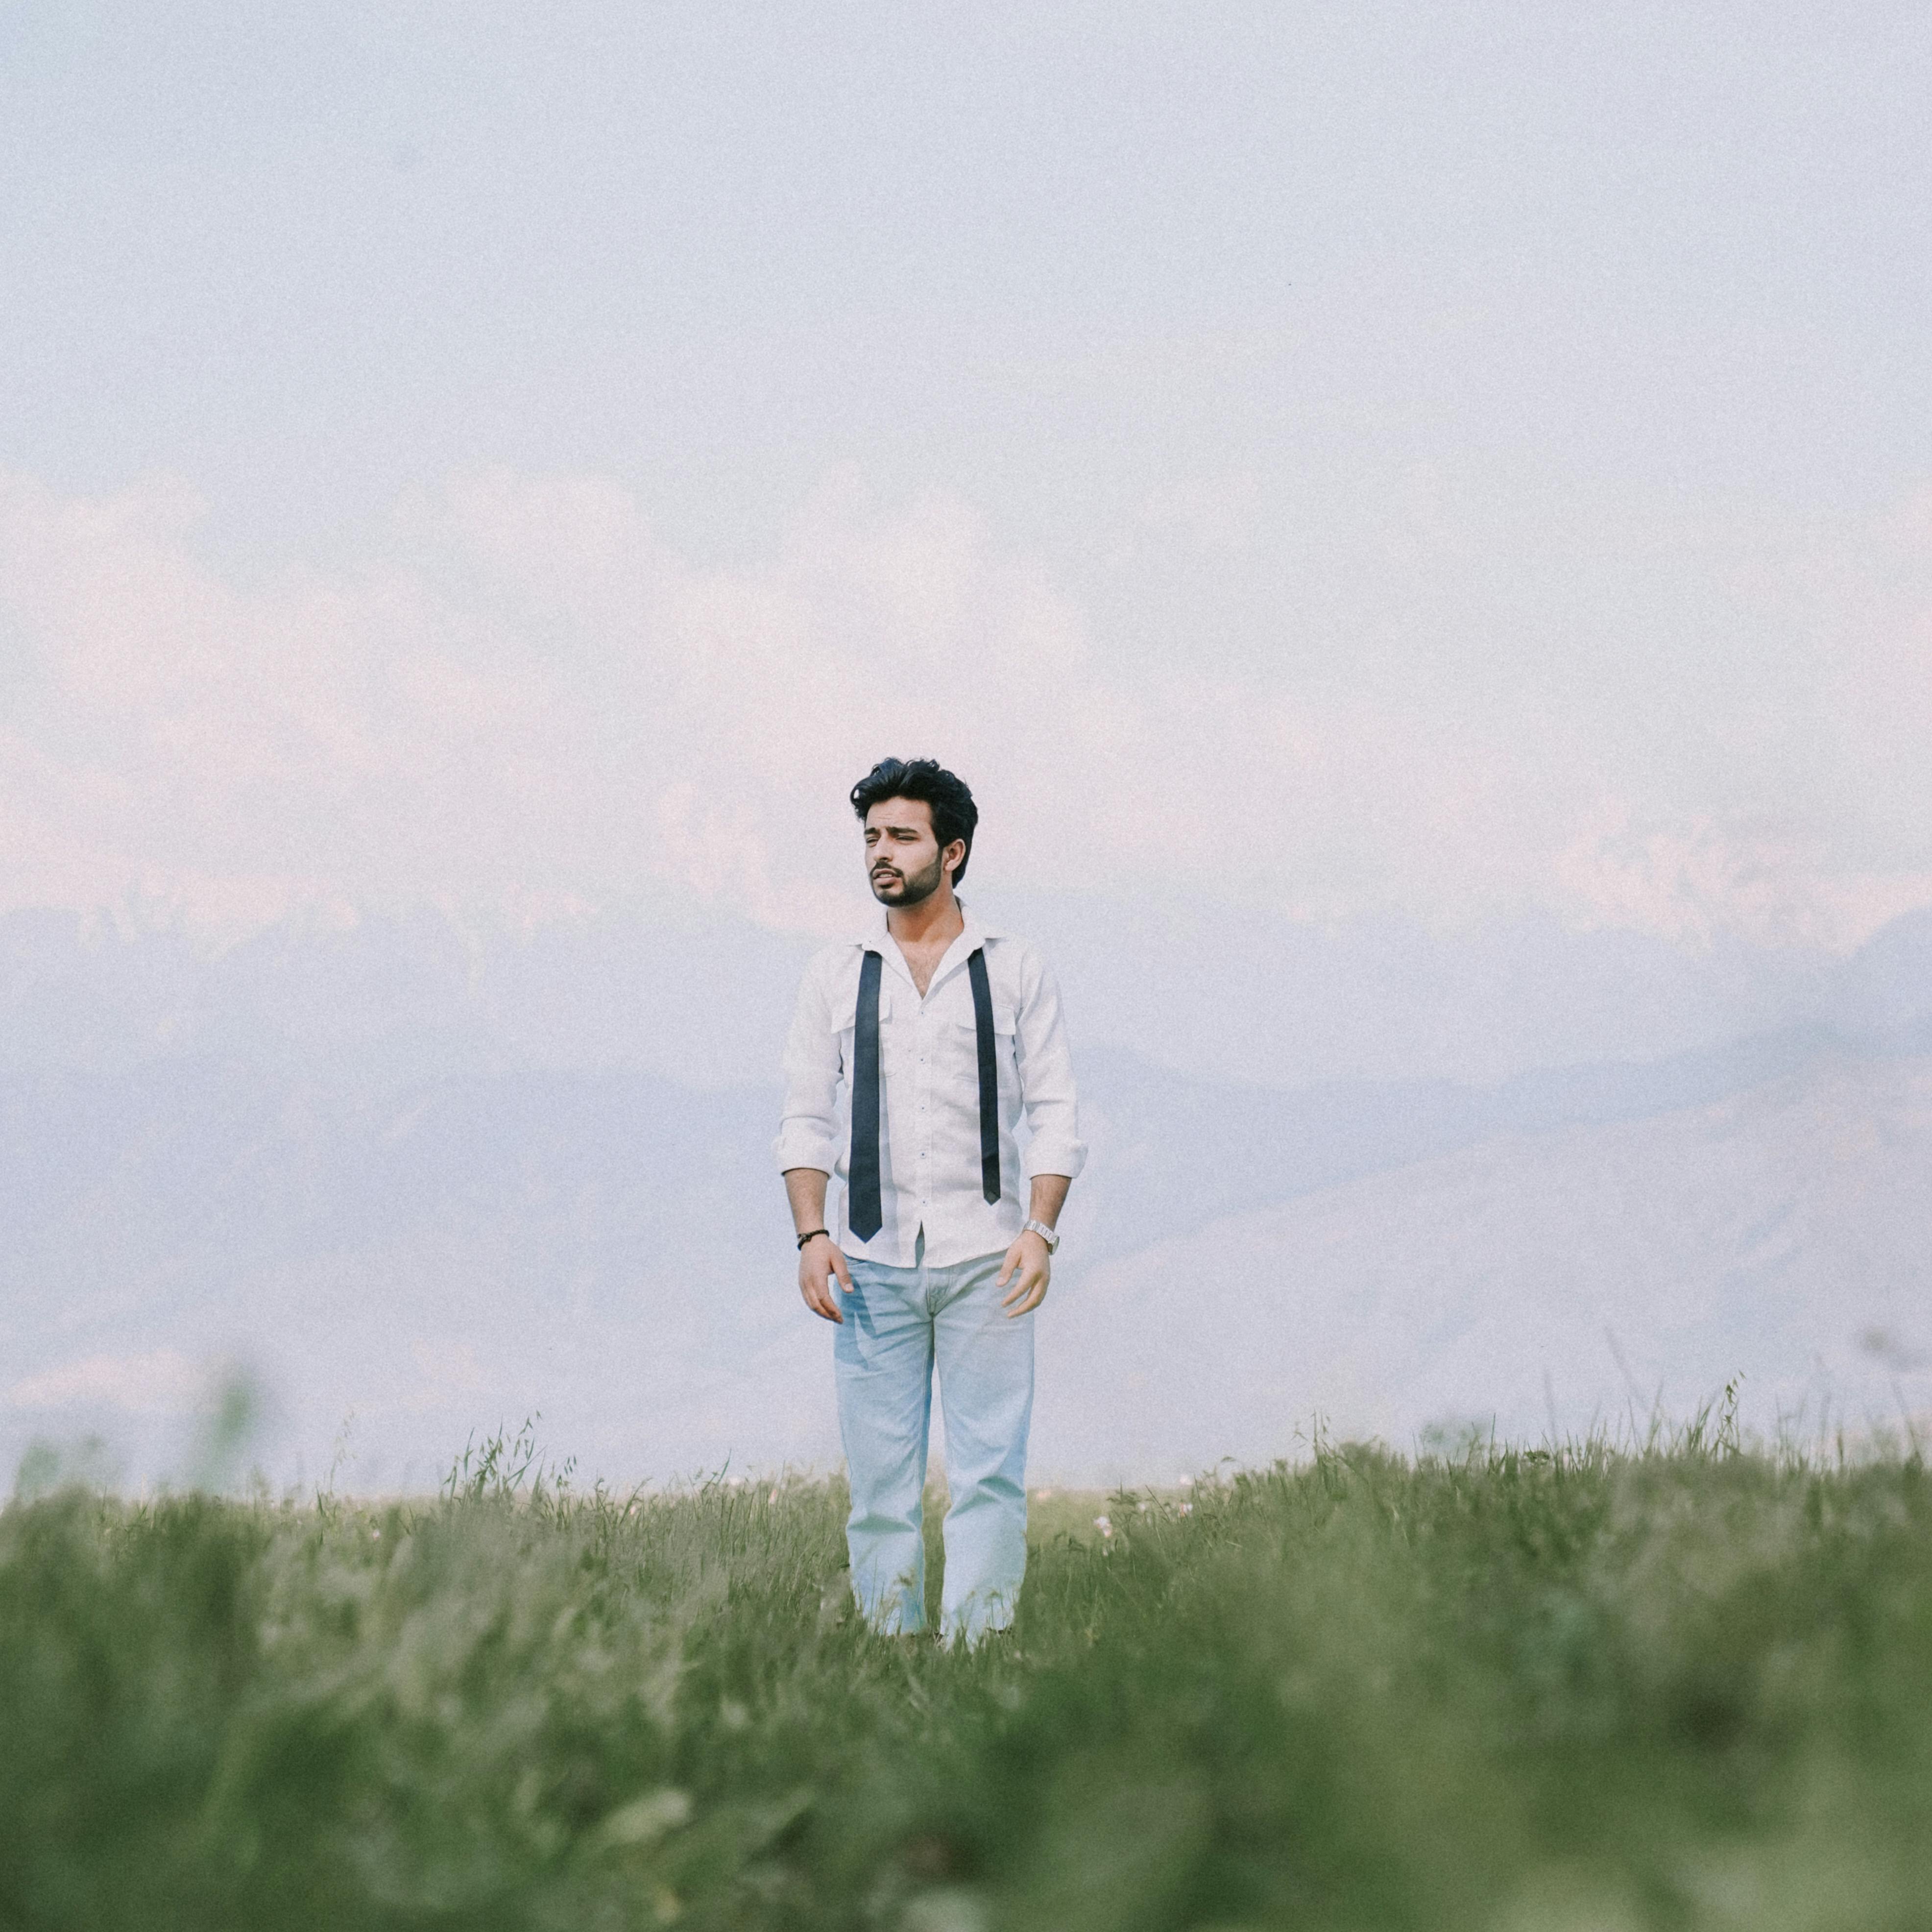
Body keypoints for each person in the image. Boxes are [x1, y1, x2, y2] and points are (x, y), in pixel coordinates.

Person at [775, 757, 1086, 1643]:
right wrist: (811, 1235)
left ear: (951, 853)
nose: (881, 853)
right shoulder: (834, 974)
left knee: (989, 1473)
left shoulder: (1015, 968)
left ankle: (977, 1656)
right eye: (872, 836)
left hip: (990, 1256)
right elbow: (806, 1115)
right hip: (870, 1265)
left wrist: (1040, 1230)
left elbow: (1058, 1108)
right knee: (879, 1484)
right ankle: (891, 1655)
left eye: (901, 836)